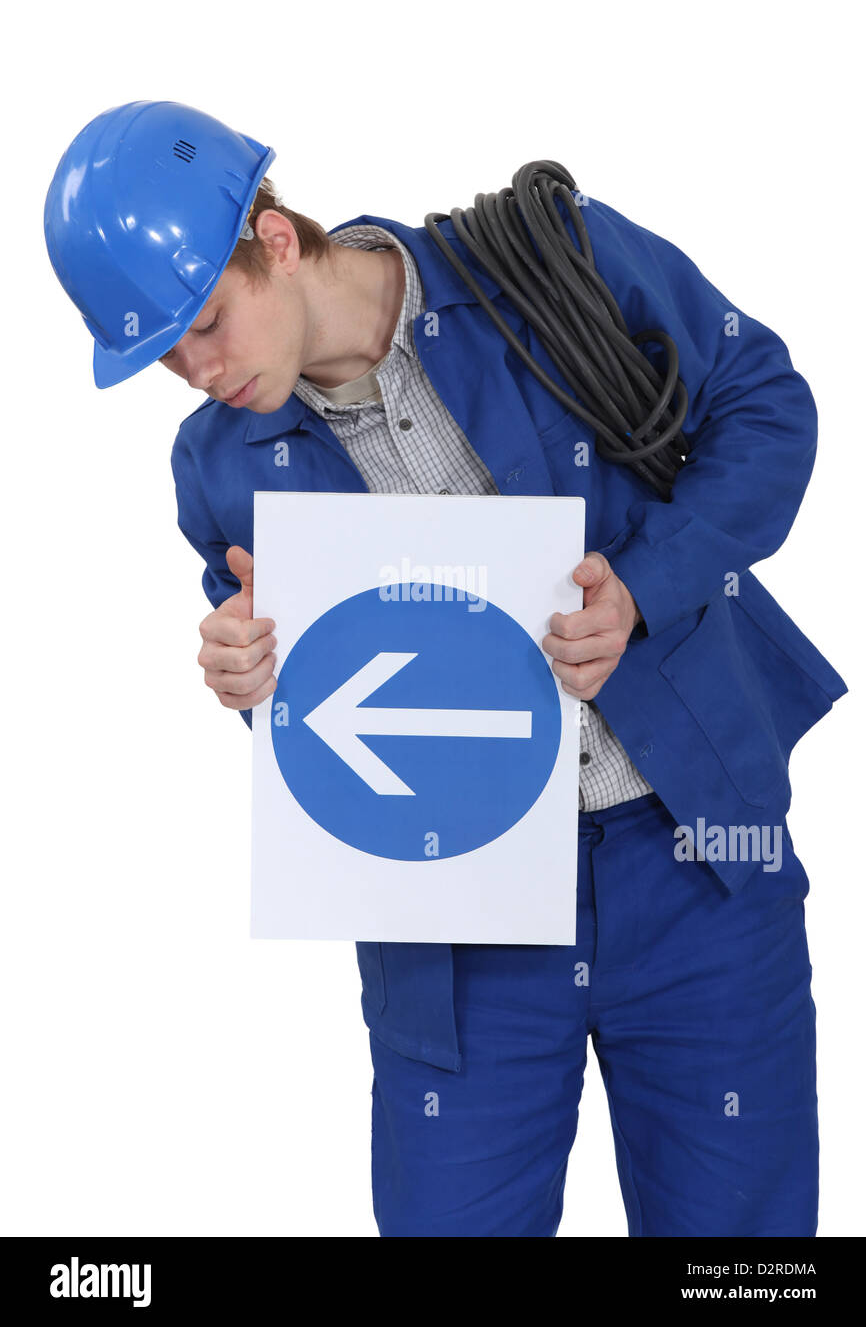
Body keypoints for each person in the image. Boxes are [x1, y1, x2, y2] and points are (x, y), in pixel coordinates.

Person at [45, 100, 848, 1238]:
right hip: (454, 940)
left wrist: (642, 585)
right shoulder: (219, 469)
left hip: (696, 873)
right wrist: (249, 674)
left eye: (206, 322)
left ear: (274, 241)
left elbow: (764, 406)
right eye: (164, 351)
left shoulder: (546, 265)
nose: (192, 367)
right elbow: (326, 726)